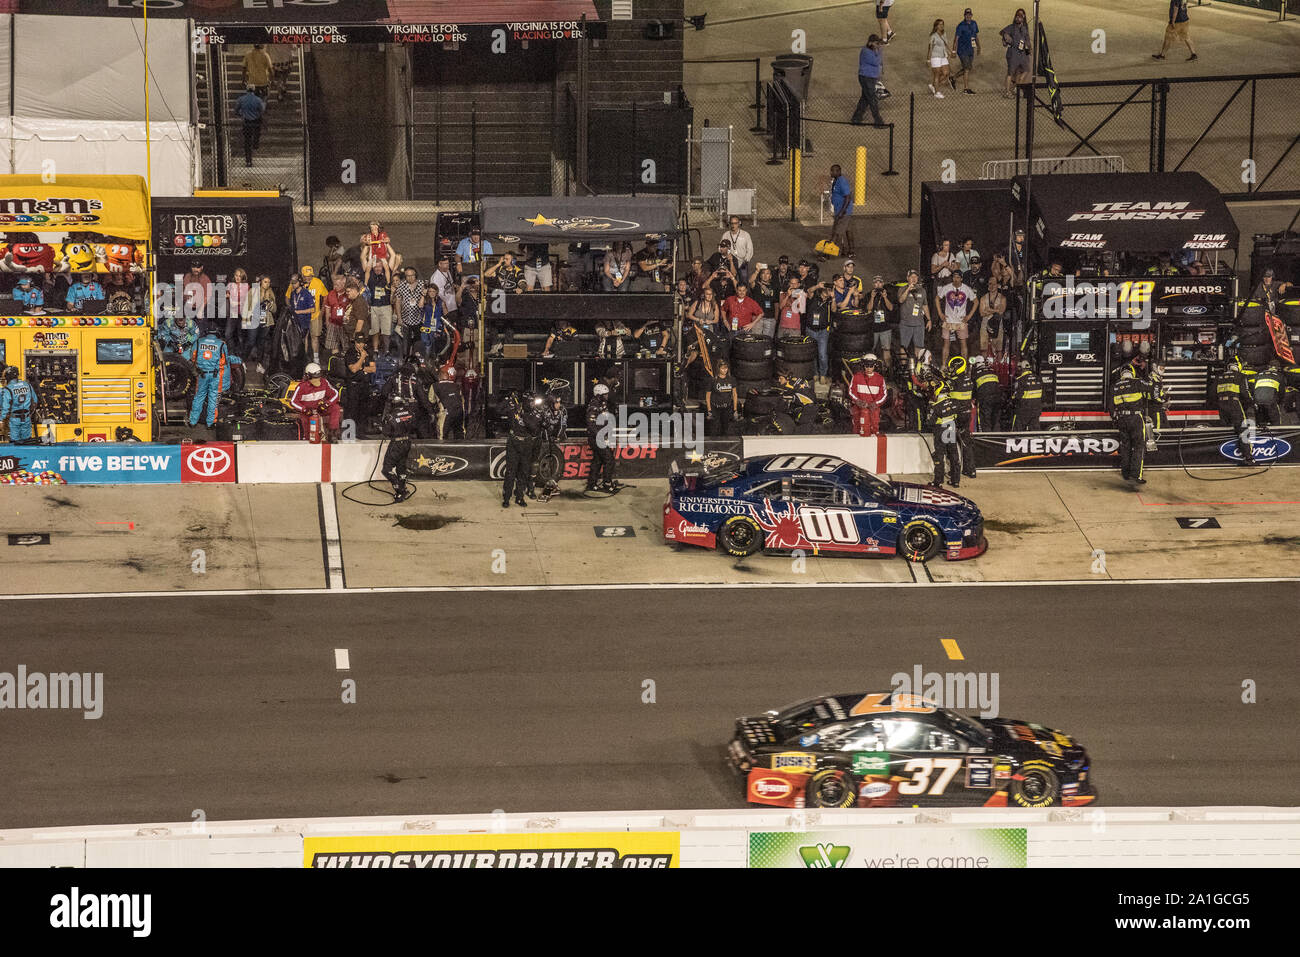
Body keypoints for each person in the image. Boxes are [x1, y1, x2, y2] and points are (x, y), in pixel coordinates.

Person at [1111, 366, 1151, 486]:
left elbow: (1111, 406)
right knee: (1139, 446)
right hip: (1135, 418)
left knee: (1125, 446)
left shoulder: (1115, 385)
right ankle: (1137, 474)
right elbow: (1151, 388)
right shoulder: (1136, 382)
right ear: (1132, 373)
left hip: (1122, 419)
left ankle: (1125, 473)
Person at [1214, 357, 1256, 465]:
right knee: (1243, 430)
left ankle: (1221, 458)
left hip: (1221, 406)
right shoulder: (1241, 376)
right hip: (1234, 405)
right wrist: (1252, 403)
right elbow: (1245, 393)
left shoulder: (1219, 377)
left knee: (1223, 430)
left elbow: (1211, 394)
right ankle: (1248, 458)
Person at [186, 327, 230, 429]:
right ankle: (210, 423)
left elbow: (192, 357)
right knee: (213, 399)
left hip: (202, 375)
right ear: (217, 333)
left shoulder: (198, 342)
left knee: (199, 397)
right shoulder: (221, 344)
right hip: (215, 376)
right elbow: (225, 361)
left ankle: (193, 422)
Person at [290, 362, 342, 442]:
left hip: (320, 408)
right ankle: (307, 438)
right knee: (307, 426)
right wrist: (304, 409)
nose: (317, 380)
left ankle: (332, 434)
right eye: (315, 378)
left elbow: (335, 394)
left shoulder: (324, 382)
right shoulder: (301, 387)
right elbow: (293, 401)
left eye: (318, 377)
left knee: (335, 408)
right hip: (307, 412)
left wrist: (326, 404)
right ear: (308, 376)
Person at [943, 355, 977, 478]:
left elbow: (943, 391)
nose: (951, 369)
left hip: (955, 415)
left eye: (953, 367)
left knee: (951, 444)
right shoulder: (969, 380)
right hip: (967, 414)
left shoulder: (952, 381)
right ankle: (971, 470)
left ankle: (954, 472)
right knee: (966, 442)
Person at [380, 395, 415, 503]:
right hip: (407, 442)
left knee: (386, 469)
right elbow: (414, 426)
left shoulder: (390, 416)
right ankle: (404, 489)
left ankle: (400, 490)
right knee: (401, 467)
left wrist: (382, 427)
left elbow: (386, 433)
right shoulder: (410, 413)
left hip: (396, 444)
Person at [585, 383, 618, 493]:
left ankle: (592, 483)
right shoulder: (594, 406)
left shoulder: (602, 404)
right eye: (605, 394)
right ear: (599, 395)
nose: (607, 396)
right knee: (609, 460)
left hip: (601, 437)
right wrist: (602, 437)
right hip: (596, 438)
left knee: (598, 460)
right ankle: (607, 483)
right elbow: (591, 425)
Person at [929, 382, 963, 487]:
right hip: (951, 428)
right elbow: (959, 416)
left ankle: (938, 482)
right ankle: (955, 480)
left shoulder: (936, 406)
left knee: (939, 456)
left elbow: (930, 422)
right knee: (953, 455)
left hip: (940, 430)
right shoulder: (955, 402)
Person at [936, 273, 976, 362]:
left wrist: (969, 316)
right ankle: (943, 365)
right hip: (948, 320)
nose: (956, 279)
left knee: (963, 343)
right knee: (946, 343)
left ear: (961, 278)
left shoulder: (966, 288)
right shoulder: (947, 287)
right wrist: (940, 313)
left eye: (958, 277)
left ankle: (964, 366)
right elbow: (937, 298)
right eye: (954, 277)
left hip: (961, 320)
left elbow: (976, 302)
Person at [341, 333, 375, 435]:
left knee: (363, 410)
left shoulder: (369, 351)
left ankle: (361, 432)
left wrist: (363, 368)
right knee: (351, 410)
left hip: (364, 384)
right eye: (358, 342)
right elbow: (354, 369)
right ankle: (348, 433)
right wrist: (362, 358)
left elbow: (373, 369)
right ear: (355, 342)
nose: (360, 345)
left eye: (362, 342)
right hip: (353, 384)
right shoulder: (350, 352)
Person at [851, 35, 886, 126]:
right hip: (866, 77)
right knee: (872, 99)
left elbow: (879, 64)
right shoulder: (865, 51)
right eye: (876, 43)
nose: (877, 45)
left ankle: (856, 119)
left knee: (865, 99)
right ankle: (878, 121)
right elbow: (876, 62)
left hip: (871, 77)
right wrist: (880, 51)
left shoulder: (873, 50)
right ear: (870, 42)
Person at [848, 355, 887, 436]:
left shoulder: (880, 379)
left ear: (875, 366)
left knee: (874, 429)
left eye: (871, 366)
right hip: (858, 409)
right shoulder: (856, 377)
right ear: (863, 366)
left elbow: (883, 395)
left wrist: (876, 404)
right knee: (857, 430)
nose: (869, 368)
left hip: (873, 410)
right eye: (866, 366)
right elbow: (851, 391)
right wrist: (857, 401)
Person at [897, 269, 932, 361]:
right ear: (907, 278)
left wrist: (929, 319)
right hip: (905, 324)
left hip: (919, 324)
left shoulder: (922, 290)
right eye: (911, 277)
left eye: (915, 277)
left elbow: (925, 305)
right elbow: (900, 300)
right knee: (903, 348)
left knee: (919, 347)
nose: (914, 278)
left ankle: (917, 369)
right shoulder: (902, 289)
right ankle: (903, 367)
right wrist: (908, 289)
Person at [242, 275, 276, 364]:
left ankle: (259, 364)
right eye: (265, 282)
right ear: (260, 282)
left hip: (265, 321)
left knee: (262, 344)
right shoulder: (253, 291)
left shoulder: (271, 293)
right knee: (251, 342)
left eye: (269, 282)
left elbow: (275, 309)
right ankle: (242, 362)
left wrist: (271, 306)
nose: (267, 284)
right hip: (253, 320)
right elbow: (246, 306)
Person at [804, 282, 833, 383]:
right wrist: (817, 286)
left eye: (830, 290)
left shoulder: (829, 302)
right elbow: (809, 291)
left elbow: (834, 309)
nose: (828, 291)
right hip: (811, 329)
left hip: (823, 331)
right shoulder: (814, 298)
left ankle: (823, 374)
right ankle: (815, 373)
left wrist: (833, 298)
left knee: (822, 354)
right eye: (826, 289)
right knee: (812, 353)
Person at [1000, 8, 1031, 99]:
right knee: (1010, 73)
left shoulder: (1024, 28)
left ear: (1023, 18)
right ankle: (1007, 92)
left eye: (1020, 17)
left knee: (1026, 70)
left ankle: (1015, 87)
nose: (1018, 18)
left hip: (1022, 54)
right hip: (1013, 53)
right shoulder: (1011, 27)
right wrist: (1005, 38)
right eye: (1017, 16)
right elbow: (1003, 32)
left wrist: (1029, 48)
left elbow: (1027, 40)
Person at [0, 366, 36, 443]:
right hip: (26, 417)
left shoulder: (8, 389)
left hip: (14, 419)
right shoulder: (27, 385)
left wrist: (1, 420)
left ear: (8, 377)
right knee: (27, 442)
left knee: (14, 443)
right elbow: (35, 401)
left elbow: (5, 408)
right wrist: (30, 414)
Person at [364, 258, 393, 354]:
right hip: (374, 307)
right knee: (374, 330)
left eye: (379, 266)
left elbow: (388, 270)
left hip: (386, 306)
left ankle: (387, 350)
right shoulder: (370, 277)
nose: (377, 268)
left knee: (386, 331)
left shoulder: (386, 277)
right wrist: (371, 259)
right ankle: (375, 350)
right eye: (375, 267)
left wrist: (385, 262)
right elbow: (367, 270)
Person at [865, 275, 895, 364]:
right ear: (873, 284)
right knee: (871, 350)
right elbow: (868, 309)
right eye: (876, 282)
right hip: (872, 327)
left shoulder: (888, 294)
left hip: (885, 327)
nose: (878, 284)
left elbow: (891, 308)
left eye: (880, 282)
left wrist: (885, 297)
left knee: (886, 350)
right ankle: (872, 369)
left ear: (883, 283)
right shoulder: (869, 294)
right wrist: (872, 297)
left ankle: (888, 371)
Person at [827, 165, 855, 259]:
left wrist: (842, 211)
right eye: (831, 171)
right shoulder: (836, 180)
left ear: (839, 171)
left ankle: (828, 254)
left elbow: (848, 197)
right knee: (848, 231)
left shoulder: (842, 182)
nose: (831, 173)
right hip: (841, 211)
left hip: (843, 212)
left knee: (837, 232)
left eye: (833, 171)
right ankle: (851, 251)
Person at [951, 9, 980, 95]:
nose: (968, 16)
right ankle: (966, 88)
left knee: (968, 68)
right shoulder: (960, 26)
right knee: (967, 69)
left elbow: (976, 36)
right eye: (967, 15)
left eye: (969, 14)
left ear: (972, 15)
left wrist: (979, 46)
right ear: (964, 15)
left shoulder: (974, 23)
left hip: (971, 49)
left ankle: (953, 78)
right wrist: (954, 50)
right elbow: (956, 39)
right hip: (962, 50)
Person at [234, 87, 265, 167]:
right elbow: (262, 110)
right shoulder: (258, 100)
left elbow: (236, 110)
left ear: (246, 90)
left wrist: (242, 114)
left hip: (246, 122)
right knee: (255, 136)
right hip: (256, 122)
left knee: (247, 142)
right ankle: (255, 144)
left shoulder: (241, 99)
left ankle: (248, 160)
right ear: (254, 90)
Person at [707, 359, 739, 437]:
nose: (725, 370)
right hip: (715, 409)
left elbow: (734, 394)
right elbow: (708, 396)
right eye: (722, 368)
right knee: (714, 430)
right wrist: (709, 410)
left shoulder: (731, 379)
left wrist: (735, 410)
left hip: (727, 408)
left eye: (726, 368)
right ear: (718, 369)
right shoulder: (713, 380)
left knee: (726, 429)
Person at [1010, 360, 1042, 430]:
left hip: (1024, 410)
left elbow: (1017, 397)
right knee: (1035, 431)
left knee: (1018, 430)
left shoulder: (1020, 380)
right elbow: (1043, 395)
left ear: (1021, 369)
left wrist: (1012, 400)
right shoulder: (1038, 378)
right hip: (1036, 409)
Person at [435, 366, 466, 440]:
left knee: (442, 434)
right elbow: (462, 400)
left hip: (445, 412)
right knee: (459, 432)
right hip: (459, 411)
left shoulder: (435, 386)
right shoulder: (457, 386)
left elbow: (431, 400)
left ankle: (441, 450)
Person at [973, 355, 1003, 430]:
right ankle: (997, 437)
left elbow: (973, 389)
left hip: (985, 398)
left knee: (985, 419)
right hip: (998, 397)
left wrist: (974, 399)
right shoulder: (992, 370)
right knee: (996, 419)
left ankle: (986, 438)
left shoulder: (975, 373)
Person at [721, 217, 754, 282]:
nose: (733, 225)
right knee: (731, 281)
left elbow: (750, 249)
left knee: (744, 281)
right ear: (729, 224)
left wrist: (746, 261)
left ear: (739, 224)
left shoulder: (745, 235)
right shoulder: (726, 235)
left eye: (735, 223)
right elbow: (720, 248)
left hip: (742, 261)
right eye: (732, 223)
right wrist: (726, 255)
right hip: (731, 262)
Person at [1253, 361, 1283, 428]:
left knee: (1261, 423)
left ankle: (1261, 434)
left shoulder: (1259, 374)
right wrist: (1279, 402)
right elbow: (1281, 392)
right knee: (1276, 423)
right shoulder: (1279, 376)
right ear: (1277, 368)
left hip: (1258, 401)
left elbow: (1254, 388)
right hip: (1271, 401)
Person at [927, 19, 951, 98]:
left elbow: (946, 44)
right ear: (936, 26)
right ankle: (936, 92)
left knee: (946, 73)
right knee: (937, 75)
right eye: (940, 25)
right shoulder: (933, 36)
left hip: (943, 56)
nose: (941, 26)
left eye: (942, 24)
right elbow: (930, 47)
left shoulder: (944, 33)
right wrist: (928, 59)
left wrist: (951, 52)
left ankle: (933, 85)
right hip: (935, 56)